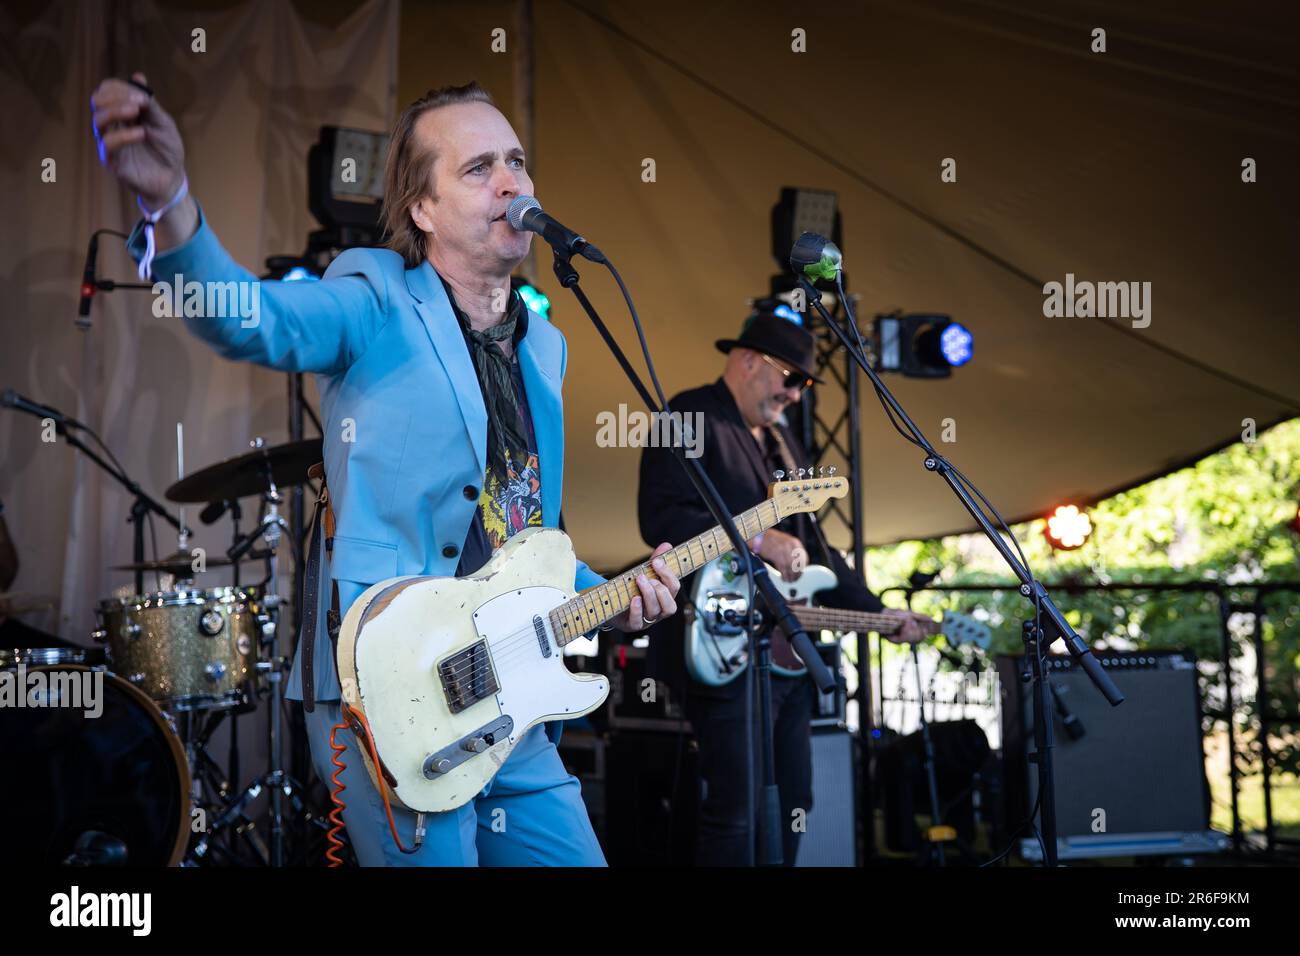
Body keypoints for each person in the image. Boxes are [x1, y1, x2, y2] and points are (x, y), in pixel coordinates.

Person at [91, 74, 680, 866]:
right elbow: (252, 321)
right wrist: (172, 210)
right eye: (478, 169)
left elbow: (523, 534)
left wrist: (613, 598)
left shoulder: (546, 347)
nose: (511, 182)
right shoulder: (374, 297)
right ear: (422, 210)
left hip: (514, 696)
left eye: (516, 160)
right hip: (397, 689)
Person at [637, 309, 929, 866]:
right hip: (720, 643)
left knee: (794, 799)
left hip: (784, 652)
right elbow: (661, 518)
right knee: (737, 809)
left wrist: (882, 614)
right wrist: (758, 538)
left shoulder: (785, 442)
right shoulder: (691, 414)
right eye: (792, 378)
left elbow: (817, 551)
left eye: (807, 384)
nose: (797, 395)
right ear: (748, 361)